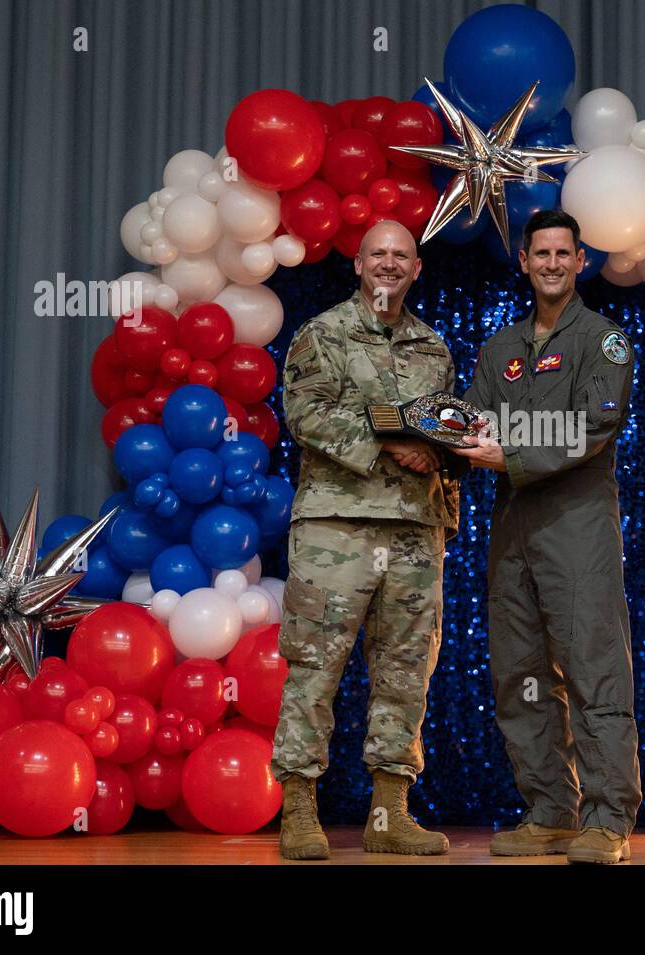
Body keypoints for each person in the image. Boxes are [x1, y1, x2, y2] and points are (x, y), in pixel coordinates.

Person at [455, 209, 641, 865]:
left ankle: (608, 816)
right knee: (522, 676)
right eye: (542, 253)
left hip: (577, 526)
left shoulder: (604, 339)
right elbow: (475, 424)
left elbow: (596, 424)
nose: (553, 263)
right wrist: (436, 437)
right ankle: (551, 809)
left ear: (580, 261)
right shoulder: (500, 347)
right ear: (526, 262)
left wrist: (510, 452)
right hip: (512, 532)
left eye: (564, 253)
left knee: (594, 670)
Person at [273, 220, 459, 860]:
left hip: (415, 528)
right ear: (358, 265)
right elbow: (303, 412)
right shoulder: (322, 334)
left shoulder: (433, 348)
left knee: (408, 670)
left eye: (401, 255)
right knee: (314, 665)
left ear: (416, 269)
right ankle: (298, 808)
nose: (389, 263)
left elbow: (445, 430)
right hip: (336, 524)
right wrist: (388, 439)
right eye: (377, 253)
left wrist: (441, 459)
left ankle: (389, 814)